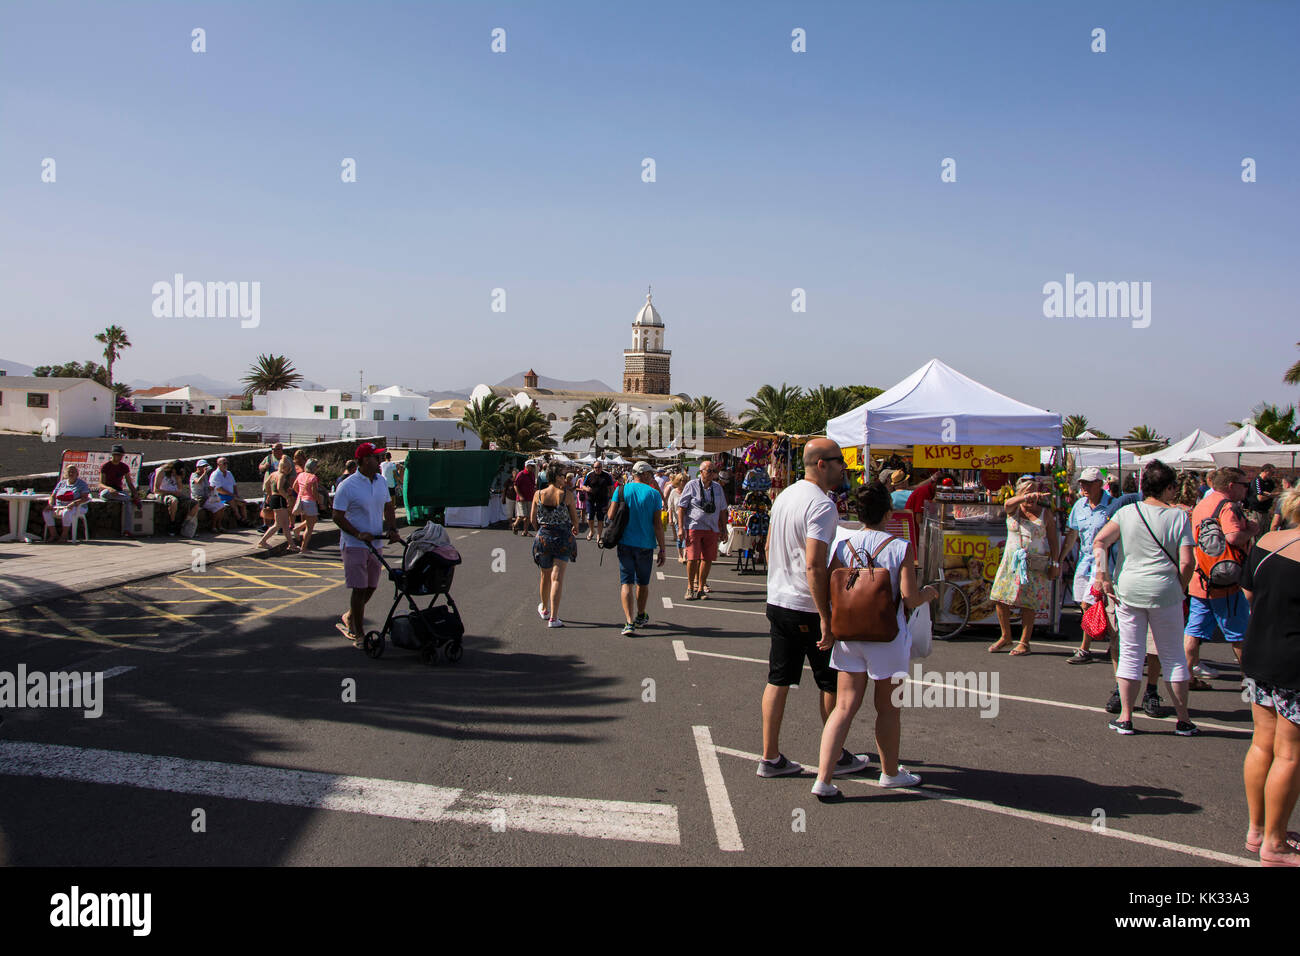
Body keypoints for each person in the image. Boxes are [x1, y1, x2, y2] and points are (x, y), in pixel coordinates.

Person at [811, 481, 938, 800]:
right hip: (887, 638)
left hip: (849, 635)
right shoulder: (900, 547)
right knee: (888, 709)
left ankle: (823, 779)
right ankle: (890, 772)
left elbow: (830, 587)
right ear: (888, 512)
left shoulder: (844, 547)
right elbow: (909, 599)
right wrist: (929, 594)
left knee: (843, 707)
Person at [758, 438, 868, 779]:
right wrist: (826, 616)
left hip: (779, 600)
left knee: (779, 678)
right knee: (831, 682)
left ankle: (770, 756)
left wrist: (779, 580)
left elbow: (767, 548)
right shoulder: (822, 505)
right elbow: (814, 565)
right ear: (822, 464)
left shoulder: (785, 496)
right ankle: (834, 754)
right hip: (806, 604)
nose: (843, 469)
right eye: (839, 462)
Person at [1092, 460, 1198, 736]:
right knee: (1173, 655)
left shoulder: (1127, 512)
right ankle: (1183, 719)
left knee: (1130, 653)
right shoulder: (1179, 517)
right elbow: (1187, 563)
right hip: (1166, 591)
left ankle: (1126, 717)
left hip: (1129, 589)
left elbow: (1100, 541)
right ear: (1169, 488)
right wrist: (1180, 586)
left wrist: (1103, 576)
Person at [1240, 489, 1300, 865]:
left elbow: (1248, 593)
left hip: (1259, 651)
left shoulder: (1267, 541)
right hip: (1294, 663)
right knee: (1290, 754)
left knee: (1262, 744)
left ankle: (1258, 830)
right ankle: (1274, 844)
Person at [1184, 466, 1256, 680]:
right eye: (1244, 485)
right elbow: (1233, 537)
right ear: (1231, 486)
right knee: (1239, 633)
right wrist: (1251, 530)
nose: (1247, 490)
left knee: (1193, 631)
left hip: (1201, 578)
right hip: (1226, 581)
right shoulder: (1228, 507)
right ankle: (1252, 681)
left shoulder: (1202, 504)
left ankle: (1186, 676)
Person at [333, 442, 400, 643]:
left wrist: (392, 529)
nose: (379, 461)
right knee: (359, 587)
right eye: (375, 457)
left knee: (371, 586)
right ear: (363, 460)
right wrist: (357, 533)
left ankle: (350, 616)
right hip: (354, 544)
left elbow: (388, 508)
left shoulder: (380, 481)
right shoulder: (347, 485)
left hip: (375, 543)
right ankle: (358, 632)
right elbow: (337, 515)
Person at [988, 475, 1061, 656]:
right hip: (1011, 562)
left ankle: (1024, 642)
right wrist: (1023, 498)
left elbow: (1053, 540)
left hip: (1034, 563)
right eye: (1027, 492)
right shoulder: (1014, 509)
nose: (1031, 496)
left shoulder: (1045, 513)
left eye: (1033, 492)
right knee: (1000, 597)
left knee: (1029, 603)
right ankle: (1006, 636)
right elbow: (1007, 504)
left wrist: (1055, 562)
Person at [1059, 467, 1113, 664]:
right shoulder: (1079, 506)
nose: (1084, 487)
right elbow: (1073, 534)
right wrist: (1061, 557)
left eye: (1089, 483)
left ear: (1099, 484)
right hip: (1084, 561)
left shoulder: (1112, 506)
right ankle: (1111, 642)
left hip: (1104, 561)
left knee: (1090, 604)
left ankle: (1085, 648)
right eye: (1082, 483)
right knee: (1086, 604)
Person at [613, 462, 667, 636]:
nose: (651, 477)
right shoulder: (654, 494)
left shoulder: (621, 490)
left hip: (625, 542)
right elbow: (657, 524)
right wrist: (663, 549)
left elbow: (610, 515)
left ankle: (629, 622)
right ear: (644, 475)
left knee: (626, 582)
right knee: (642, 583)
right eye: (650, 474)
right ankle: (641, 615)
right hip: (645, 544)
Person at [531, 465, 579, 628]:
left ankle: (544, 608)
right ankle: (554, 617)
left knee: (545, 575)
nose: (565, 479)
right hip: (563, 537)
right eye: (563, 476)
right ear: (557, 477)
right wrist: (574, 528)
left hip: (543, 536)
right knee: (557, 577)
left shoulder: (538, 494)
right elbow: (575, 520)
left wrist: (541, 531)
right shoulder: (567, 495)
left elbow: (533, 519)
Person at [678, 460, 730, 600]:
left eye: (714, 471)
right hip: (694, 527)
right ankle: (690, 587)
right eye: (709, 471)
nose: (712, 474)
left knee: (707, 559)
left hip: (712, 528)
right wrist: (681, 528)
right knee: (693, 558)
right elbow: (681, 507)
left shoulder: (717, 488)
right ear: (701, 472)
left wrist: (724, 528)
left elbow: (723, 510)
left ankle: (701, 588)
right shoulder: (692, 485)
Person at [42, 466, 91, 543]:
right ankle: (54, 534)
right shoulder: (61, 483)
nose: (71, 473)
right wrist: (51, 504)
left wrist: (74, 503)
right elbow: (52, 495)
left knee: (66, 512)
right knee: (46, 511)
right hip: (59, 506)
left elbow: (85, 498)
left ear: (77, 474)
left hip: (77, 506)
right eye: (69, 472)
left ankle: (64, 536)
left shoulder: (82, 484)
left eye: (73, 472)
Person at [257, 456, 297, 550]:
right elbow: (279, 488)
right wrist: (287, 497)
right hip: (279, 498)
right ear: (284, 467)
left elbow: (266, 484)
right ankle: (262, 541)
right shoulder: (282, 475)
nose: (289, 471)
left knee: (285, 524)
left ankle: (291, 544)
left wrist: (269, 495)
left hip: (275, 498)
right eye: (288, 469)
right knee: (278, 524)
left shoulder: (273, 474)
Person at [150, 460, 198, 536]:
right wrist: (172, 493)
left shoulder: (178, 474)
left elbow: (180, 489)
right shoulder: (161, 471)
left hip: (175, 493)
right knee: (174, 501)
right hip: (163, 494)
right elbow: (156, 490)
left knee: (194, 503)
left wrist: (178, 478)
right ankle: (172, 524)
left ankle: (186, 525)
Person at [291, 459, 323, 552]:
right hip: (310, 502)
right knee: (310, 527)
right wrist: (320, 502)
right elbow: (314, 492)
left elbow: (294, 486)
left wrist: (300, 493)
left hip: (302, 500)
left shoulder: (301, 475)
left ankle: (298, 528)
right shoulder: (313, 477)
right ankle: (303, 547)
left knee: (314, 519)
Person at [189, 459, 229, 532]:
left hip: (207, 497)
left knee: (222, 506)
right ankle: (213, 526)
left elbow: (207, 486)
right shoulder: (194, 475)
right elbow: (198, 481)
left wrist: (211, 488)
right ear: (198, 467)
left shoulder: (205, 476)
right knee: (217, 507)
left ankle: (218, 525)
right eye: (203, 466)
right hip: (199, 499)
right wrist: (204, 473)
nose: (205, 468)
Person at [97, 444, 141, 510]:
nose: (120, 457)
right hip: (107, 491)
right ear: (113, 455)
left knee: (127, 501)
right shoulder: (105, 466)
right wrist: (110, 489)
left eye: (121, 455)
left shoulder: (124, 467)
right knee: (107, 494)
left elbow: (129, 483)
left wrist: (135, 493)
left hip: (118, 492)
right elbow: (100, 484)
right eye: (118, 455)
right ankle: (128, 498)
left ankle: (127, 519)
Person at [581, 460, 615, 541]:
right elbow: (583, 486)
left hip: (603, 500)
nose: (597, 469)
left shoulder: (607, 475)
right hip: (591, 500)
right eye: (595, 467)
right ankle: (592, 531)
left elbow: (611, 488)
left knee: (600, 518)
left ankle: (599, 536)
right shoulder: (589, 474)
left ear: (602, 467)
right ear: (593, 468)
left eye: (599, 467)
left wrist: (612, 499)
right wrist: (587, 489)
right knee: (589, 518)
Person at [209, 457, 247, 526]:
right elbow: (218, 489)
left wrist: (236, 494)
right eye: (224, 463)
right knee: (233, 501)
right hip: (219, 495)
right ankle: (239, 519)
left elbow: (234, 485)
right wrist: (231, 495)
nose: (226, 465)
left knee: (242, 503)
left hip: (230, 495)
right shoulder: (215, 475)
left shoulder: (229, 473)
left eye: (227, 463)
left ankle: (245, 519)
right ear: (219, 464)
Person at [665, 472, 687, 564]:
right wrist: (670, 519)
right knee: (680, 537)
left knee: (687, 538)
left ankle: (685, 556)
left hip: (688, 519)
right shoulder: (673, 492)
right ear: (678, 481)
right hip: (677, 519)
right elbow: (670, 507)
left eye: (685, 480)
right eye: (682, 480)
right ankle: (680, 555)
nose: (683, 482)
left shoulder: (688, 491)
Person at [512, 461, 537, 536]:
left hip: (530, 498)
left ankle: (525, 531)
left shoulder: (532, 474)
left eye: (533, 466)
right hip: (521, 499)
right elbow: (515, 485)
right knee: (522, 515)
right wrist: (520, 495)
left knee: (528, 516)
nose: (533, 468)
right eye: (532, 466)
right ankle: (515, 524)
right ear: (527, 466)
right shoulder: (521, 474)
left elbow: (533, 485)